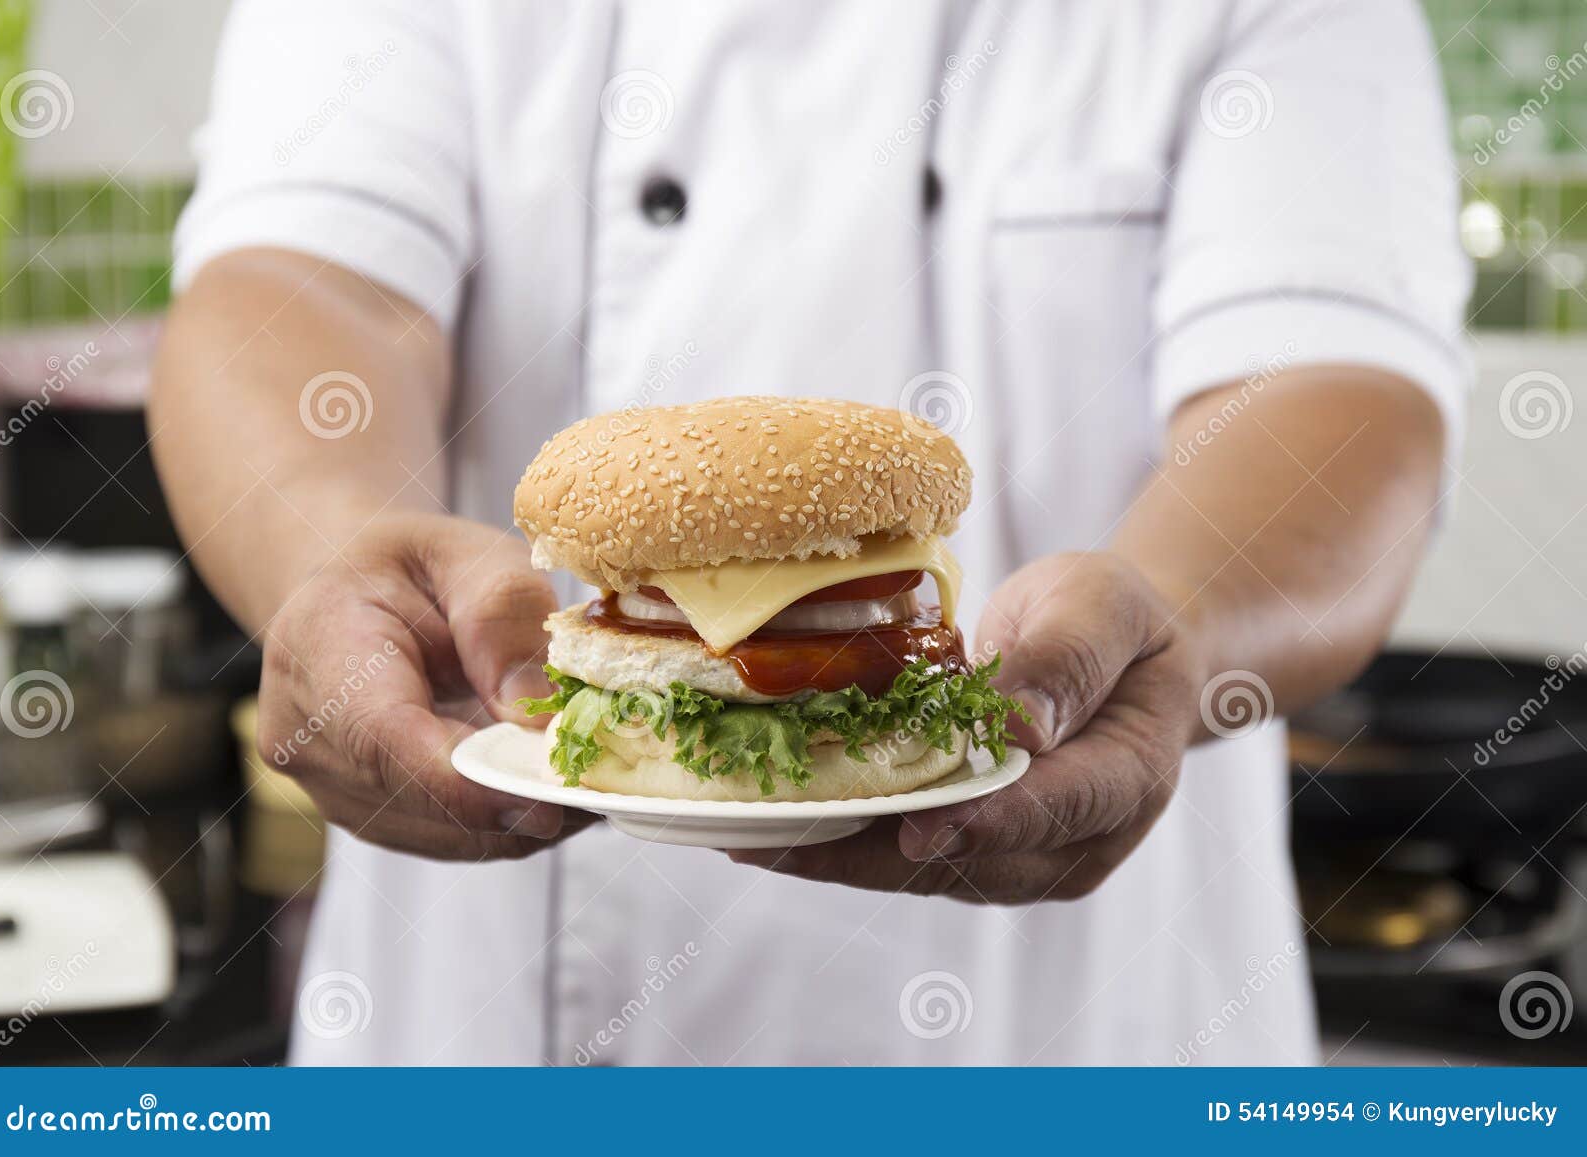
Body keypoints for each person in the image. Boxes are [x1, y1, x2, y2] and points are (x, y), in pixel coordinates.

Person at [149, 0, 1470, 1064]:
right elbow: (298, 283)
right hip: (495, 1028)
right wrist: (336, 543)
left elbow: (1326, 387)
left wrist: (1177, 605)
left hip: (1079, 1030)